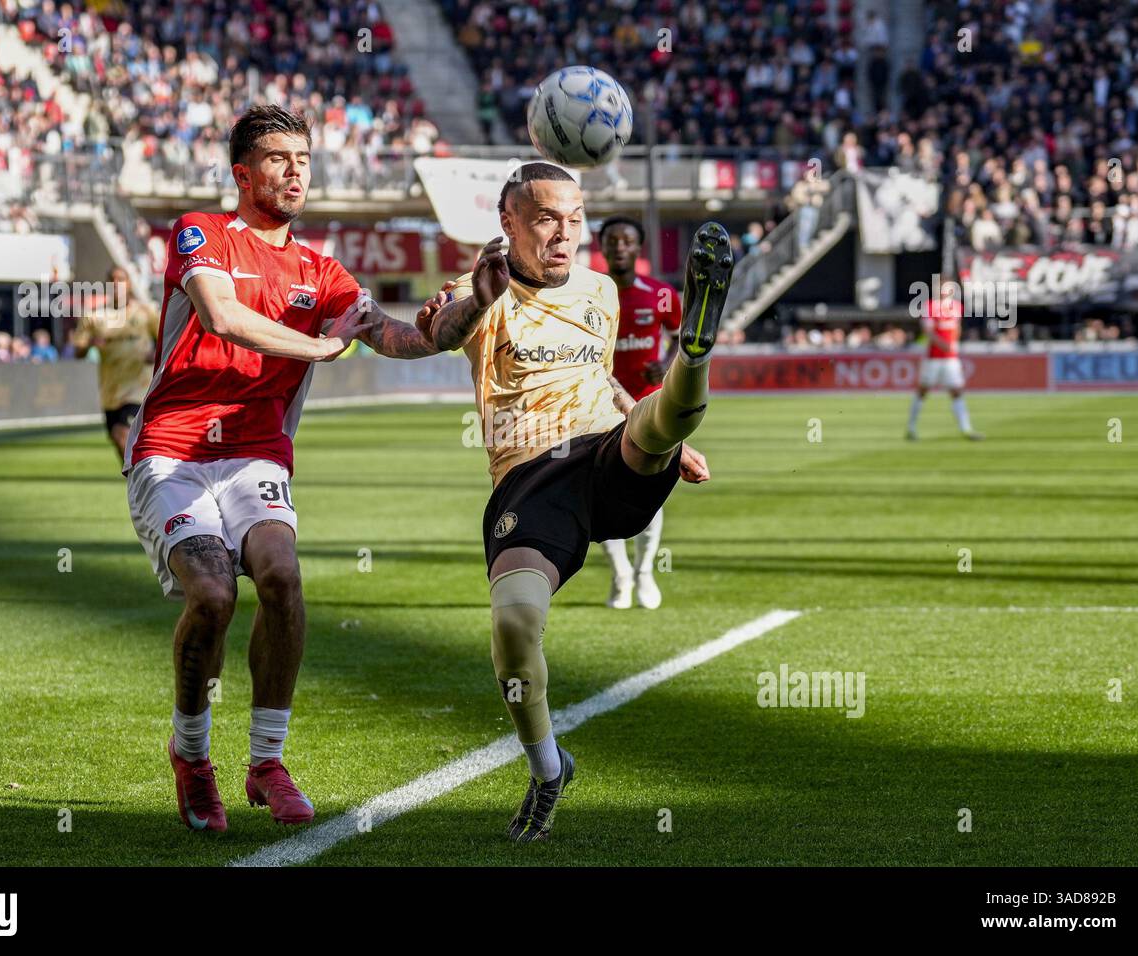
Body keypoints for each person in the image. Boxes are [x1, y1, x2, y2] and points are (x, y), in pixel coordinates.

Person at [124, 104, 437, 833]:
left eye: (303, 157)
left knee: (282, 577)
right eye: (277, 158)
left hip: (255, 453)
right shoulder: (200, 231)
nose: (295, 170)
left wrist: (465, 308)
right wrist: (321, 348)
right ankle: (193, 756)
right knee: (212, 595)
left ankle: (266, 763)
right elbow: (222, 317)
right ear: (243, 172)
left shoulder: (321, 270)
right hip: (174, 449)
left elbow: (388, 333)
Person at [418, 162, 722, 842]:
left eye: (575, 218)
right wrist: (475, 299)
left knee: (652, 424)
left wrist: (646, 416)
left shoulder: (599, 292)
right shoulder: (481, 290)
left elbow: (603, 374)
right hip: (528, 481)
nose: (565, 232)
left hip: (606, 452)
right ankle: (548, 767)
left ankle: (691, 366)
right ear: (510, 224)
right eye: (547, 218)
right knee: (515, 629)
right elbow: (434, 336)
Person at [595, 214, 689, 610]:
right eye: (612, 240)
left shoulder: (661, 294)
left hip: (651, 407)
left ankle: (645, 570)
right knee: (602, 495)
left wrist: (667, 361)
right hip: (600, 405)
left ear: (638, 248)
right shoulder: (591, 294)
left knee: (649, 493)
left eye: (627, 240)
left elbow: (681, 337)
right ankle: (620, 573)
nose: (619, 246)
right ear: (602, 247)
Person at [72, 266, 160, 461]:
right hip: (110, 392)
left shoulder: (146, 312)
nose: (117, 283)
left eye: (121, 279)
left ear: (129, 284)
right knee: (119, 442)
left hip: (139, 388)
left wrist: (155, 354)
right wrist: (89, 344)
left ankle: (143, 479)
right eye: (113, 279)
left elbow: (166, 339)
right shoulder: (95, 316)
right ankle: (137, 483)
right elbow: (78, 351)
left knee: (123, 435)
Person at [907, 280, 984, 441]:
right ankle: (911, 428)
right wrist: (944, 345)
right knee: (922, 391)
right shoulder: (929, 306)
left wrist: (953, 344)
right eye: (941, 287)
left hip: (951, 359)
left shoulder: (956, 306)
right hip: (933, 358)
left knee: (957, 391)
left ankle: (966, 429)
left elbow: (957, 328)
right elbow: (928, 332)